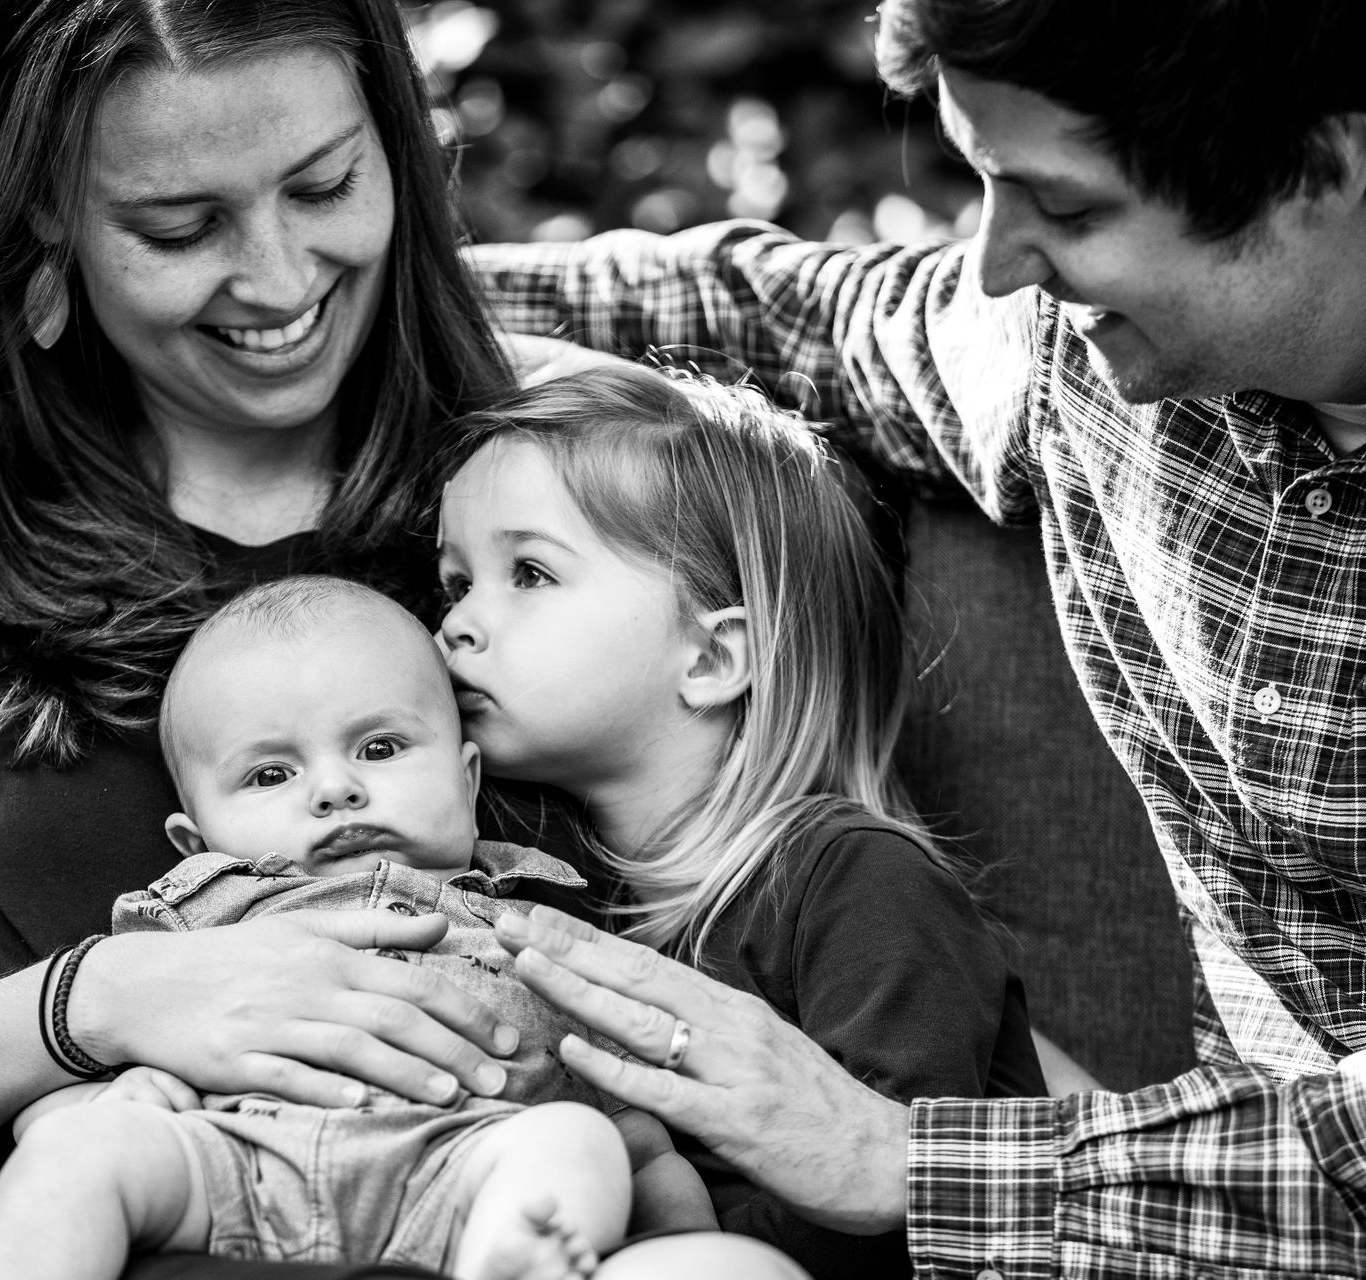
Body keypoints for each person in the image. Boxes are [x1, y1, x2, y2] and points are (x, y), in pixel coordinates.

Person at [463, 0, 1366, 1274]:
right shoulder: (1072, 357)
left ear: (1325, 168)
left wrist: (903, 1155)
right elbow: (785, 315)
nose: (997, 266)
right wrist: (354, 299)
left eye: (1068, 208)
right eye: (984, 186)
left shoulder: (851, 894)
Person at [0, 2, 532, 1277]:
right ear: (37, 215)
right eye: (181, 227)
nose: (282, 279)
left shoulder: (536, 525)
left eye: (326, 183)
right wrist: (99, 998)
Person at [0, 575, 787, 1280]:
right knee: (70, 1161)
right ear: (197, 841)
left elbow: (636, 1132)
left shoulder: (541, 929)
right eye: (272, 773)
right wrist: (104, 1104)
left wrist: (679, 1233)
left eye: (382, 748)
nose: (335, 789)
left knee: (573, 1139)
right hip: (235, 1158)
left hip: (464, 1169)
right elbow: (86, 1057)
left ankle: (508, 1257)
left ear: (467, 785)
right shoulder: (190, 919)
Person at [433, 364, 1046, 1278]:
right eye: (455, 583)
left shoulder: (859, 884)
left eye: (528, 573)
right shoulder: (524, 867)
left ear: (715, 655)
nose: (456, 627)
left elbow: (892, 1202)